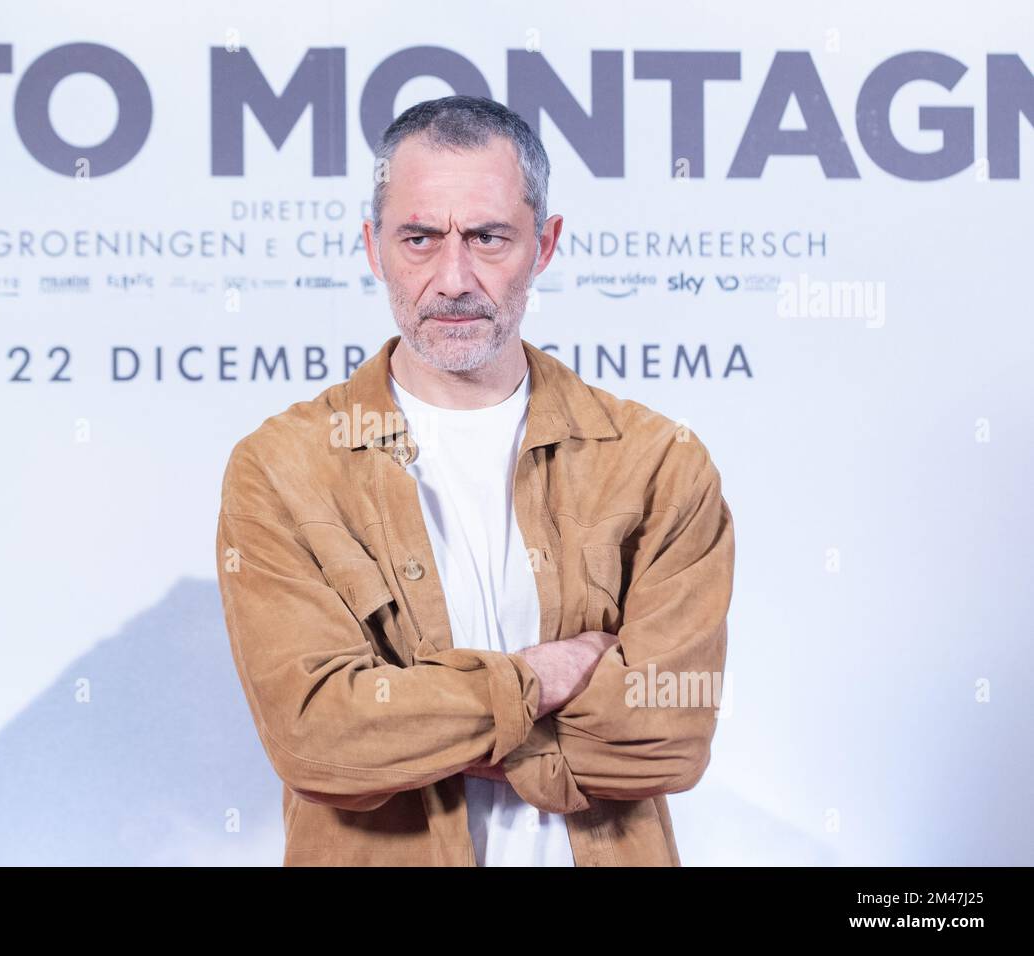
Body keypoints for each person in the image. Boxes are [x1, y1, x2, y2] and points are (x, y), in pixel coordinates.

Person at [216, 95, 735, 866]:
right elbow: (319, 740)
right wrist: (542, 678)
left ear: (544, 245)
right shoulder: (282, 468)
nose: (453, 278)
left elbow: (671, 738)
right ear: (373, 248)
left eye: (488, 237)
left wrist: (425, 730)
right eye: (419, 238)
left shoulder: (658, 462)